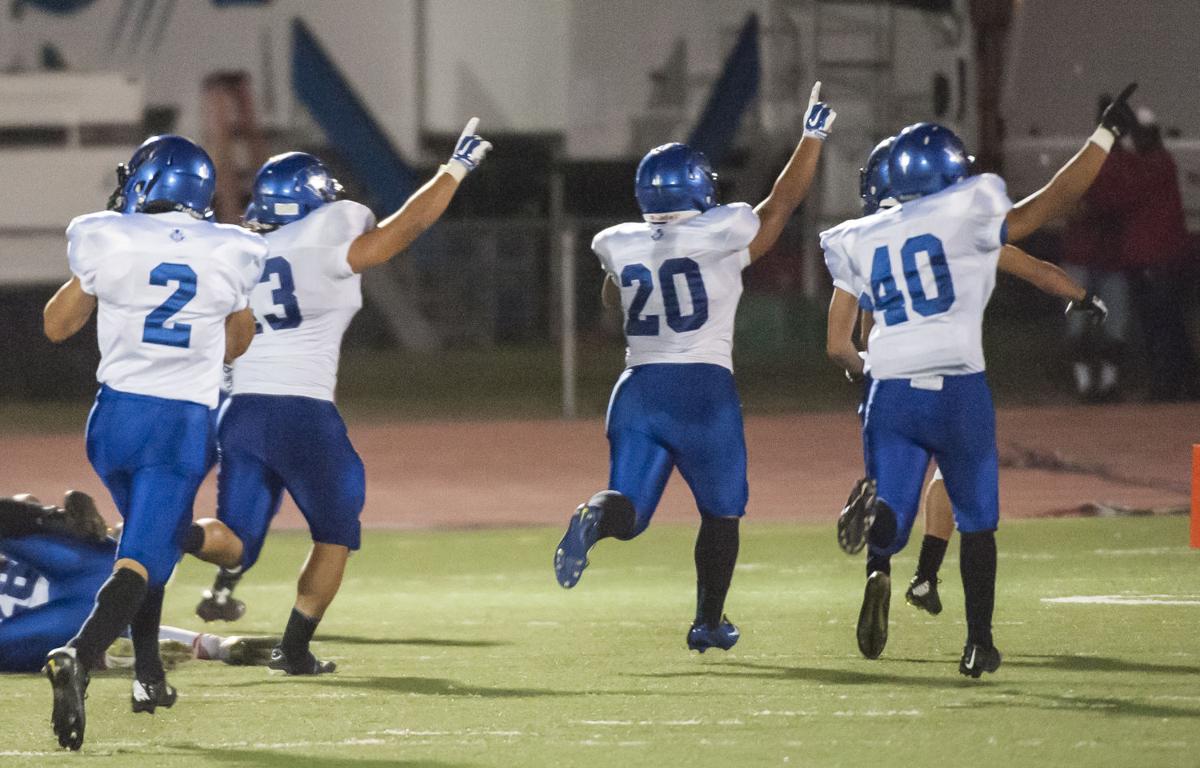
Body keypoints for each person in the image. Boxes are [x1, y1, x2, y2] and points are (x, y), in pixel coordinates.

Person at [830, 84, 1137, 635]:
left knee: (892, 497)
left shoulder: (860, 238)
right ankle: (958, 615)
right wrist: (1104, 135)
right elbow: (1041, 222)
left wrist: (868, 370)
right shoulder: (960, 225)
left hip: (887, 389)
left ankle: (887, 563)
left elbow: (842, 341)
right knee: (961, 480)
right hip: (953, 381)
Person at [193, 119, 492, 675]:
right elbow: (403, 230)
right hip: (302, 412)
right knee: (336, 531)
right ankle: (295, 648)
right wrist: (455, 170)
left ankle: (169, 532)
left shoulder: (239, 251)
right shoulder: (321, 245)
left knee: (236, 541)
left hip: (239, 411)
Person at [552, 83, 835, 652]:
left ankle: (591, 516)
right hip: (703, 390)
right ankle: (708, 622)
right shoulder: (723, 228)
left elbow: (614, 300)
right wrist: (812, 136)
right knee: (722, 511)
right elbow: (780, 204)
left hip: (636, 388)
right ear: (700, 187)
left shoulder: (618, 242)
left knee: (628, 512)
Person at [41, 134, 267, 749]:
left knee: (154, 535)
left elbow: (56, 326)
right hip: (179, 425)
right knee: (142, 556)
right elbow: (237, 343)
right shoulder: (236, 248)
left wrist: (102, 272)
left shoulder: (103, 234)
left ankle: (147, 676)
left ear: (146, 183)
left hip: (112, 422)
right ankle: (79, 657)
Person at [0, 492, 272, 673]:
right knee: (106, 620)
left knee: (95, 628)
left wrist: (215, 647)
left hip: (76, 614)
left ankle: (106, 657)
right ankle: (109, 654)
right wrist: (216, 646)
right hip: (96, 571)